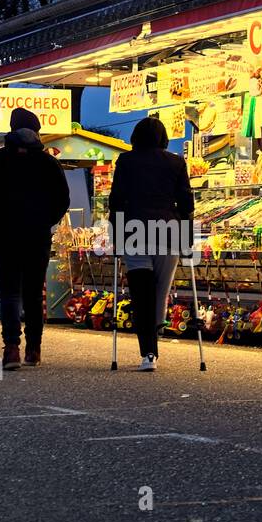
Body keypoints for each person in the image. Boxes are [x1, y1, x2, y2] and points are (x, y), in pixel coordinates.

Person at [0, 107, 70, 369]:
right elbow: (62, 199)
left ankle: (11, 348)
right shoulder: (48, 163)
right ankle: (33, 350)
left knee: (10, 292)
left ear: (11, 130)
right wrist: (45, 221)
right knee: (34, 293)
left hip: (3, 237)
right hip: (37, 237)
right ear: (36, 132)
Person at [108, 116, 195, 371]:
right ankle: (154, 340)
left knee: (141, 292)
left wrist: (115, 234)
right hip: (169, 234)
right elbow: (186, 203)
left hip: (134, 234)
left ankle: (148, 352)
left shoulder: (125, 161)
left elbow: (116, 200)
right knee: (160, 292)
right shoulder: (176, 162)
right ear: (163, 137)